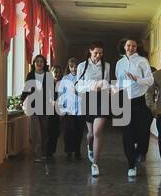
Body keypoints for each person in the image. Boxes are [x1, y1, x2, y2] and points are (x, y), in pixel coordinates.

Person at [114, 38, 154, 178]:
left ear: (137, 47)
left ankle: (140, 152)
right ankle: (131, 165)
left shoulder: (142, 61)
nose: (131, 47)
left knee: (143, 131)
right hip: (123, 100)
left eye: (134, 46)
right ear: (124, 46)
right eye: (128, 45)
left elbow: (150, 80)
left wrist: (137, 79)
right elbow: (118, 82)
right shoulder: (119, 63)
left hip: (139, 101)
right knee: (127, 135)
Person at [74, 41, 114, 177]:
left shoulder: (106, 66)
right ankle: (89, 146)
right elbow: (78, 85)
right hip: (88, 99)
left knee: (97, 132)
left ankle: (95, 164)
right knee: (91, 133)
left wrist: (106, 88)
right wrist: (91, 86)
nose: (98, 55)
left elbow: (107, 83)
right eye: (96, 53)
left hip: (102, 99)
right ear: (90, 51)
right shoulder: (82, 66)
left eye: (101, 53)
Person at [20, 54, 58, 162]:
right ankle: (37, 155)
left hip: (46, 106)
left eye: (41, 61)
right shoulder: (30, 75)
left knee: (45, 131)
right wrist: (21, 100)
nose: (39, 63)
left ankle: (44, 153)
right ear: (34, 64)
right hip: (33, 106)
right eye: (37, 61)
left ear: (44, 63)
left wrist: (54, 100)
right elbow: (26, 89)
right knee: (36, 132)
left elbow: (53, 90)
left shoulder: (48, 75)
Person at [56, 57, 84, 158]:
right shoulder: (65, 78)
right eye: (71, 67)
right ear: (68, 67)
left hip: (81, 110)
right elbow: (61, 93)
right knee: (68, 131)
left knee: (79, 131)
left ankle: (77, 150)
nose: (74, 69)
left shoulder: (82, 77)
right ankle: (68, 150)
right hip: (68, 110)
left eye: (75, 67)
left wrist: (79, 92)